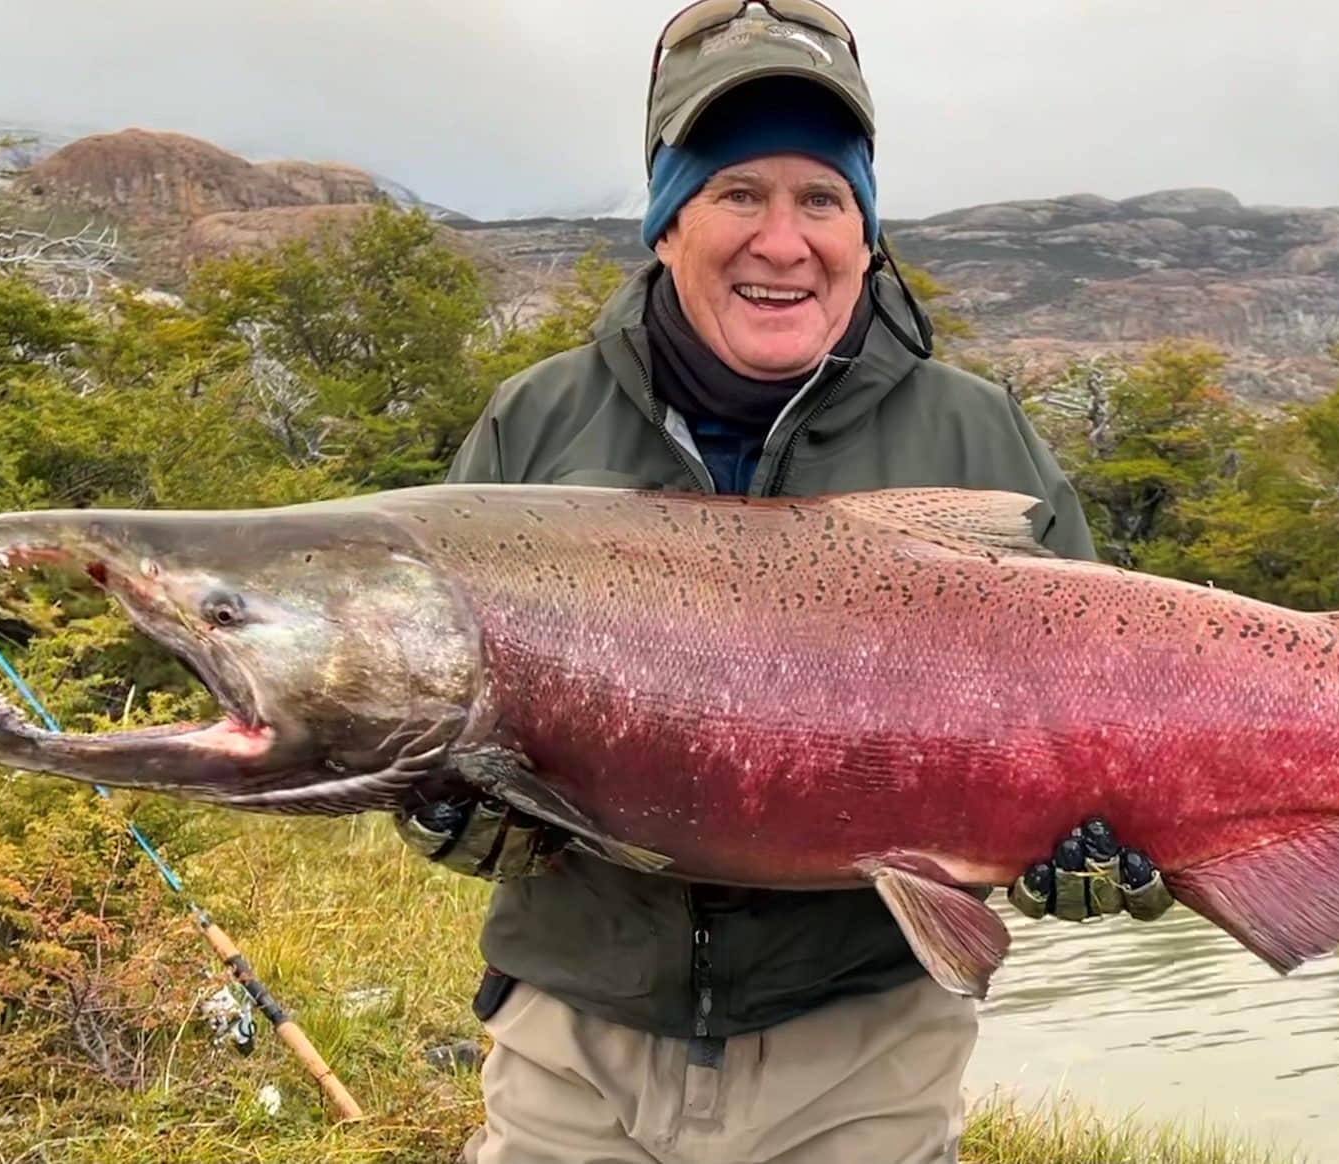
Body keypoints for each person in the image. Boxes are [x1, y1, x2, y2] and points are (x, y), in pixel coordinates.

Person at [397, 4, 1172, 1161]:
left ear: (865, 233)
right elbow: (429, 703)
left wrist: (1125, 852)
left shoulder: (975, 432)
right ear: (665, 223)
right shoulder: (538, 420)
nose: (782, 240)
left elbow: (1115, 715)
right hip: (574, 1037)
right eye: (735, 193)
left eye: (822, 198)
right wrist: (439, 810)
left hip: (864, 1052)